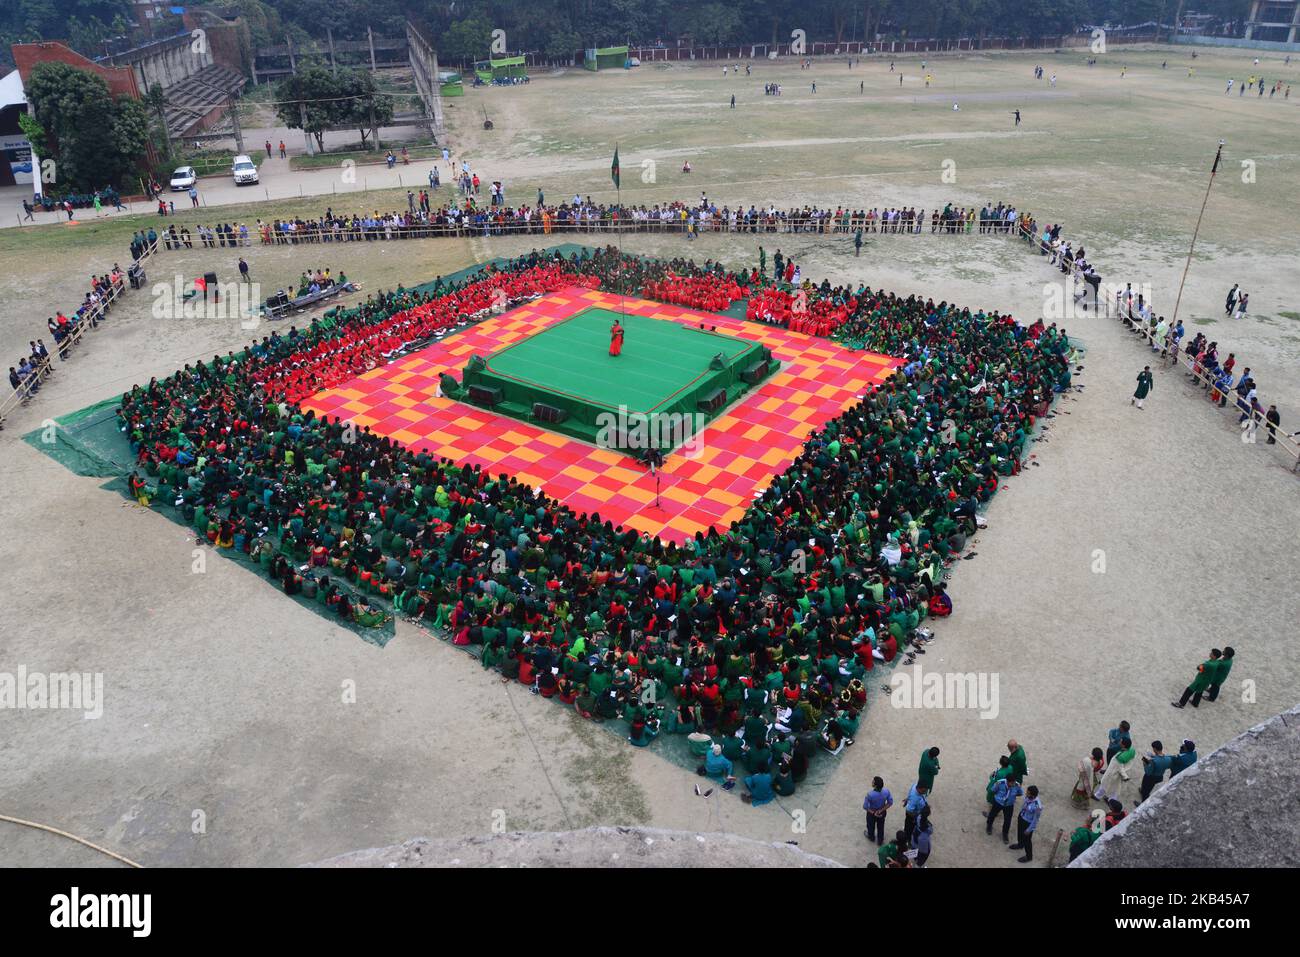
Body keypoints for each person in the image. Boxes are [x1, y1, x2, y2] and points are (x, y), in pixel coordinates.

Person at [1096, 737, 1135, 804]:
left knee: (1105, 784)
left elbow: (1120, 768)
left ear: (1123, 745)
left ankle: (1097, 796)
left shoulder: (1120, 758)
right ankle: (1112, 800)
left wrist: (1125, 776)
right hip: (1121, 772)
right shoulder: (1132, 750)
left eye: (1121, 741)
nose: (1119, 741)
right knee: (1116, 788)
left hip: (1113, 772)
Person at [1009, 785, 1041, 862]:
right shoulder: (1028, 798)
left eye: (1028, 793)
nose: (1026, 793)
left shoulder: (1037, 806)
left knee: (1027, 840)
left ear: (1032, 795)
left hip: (1028, 823)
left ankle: (1029, 856)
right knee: (1020, 833)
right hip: (1022, 817)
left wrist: (1029, 829)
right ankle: (1020, 845)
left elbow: (1035, 820)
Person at [986, 774, 1022, 843]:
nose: (1013, 784)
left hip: (1009, 805)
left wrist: (1011, 797)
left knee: (1007, 820)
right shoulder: (1000, 783)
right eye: (1011, 783)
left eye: (1014, 782)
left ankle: (1005, 833)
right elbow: (993, 790)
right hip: (998, 802)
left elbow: (1020, 793)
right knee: (992, 815)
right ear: (1007, 781)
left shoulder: (1017, 785)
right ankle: (989, 826)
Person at [863, 776, 893, 844]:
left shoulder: (870, 794)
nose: (872, 782)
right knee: (881, 826)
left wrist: (873, 813)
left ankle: (871, 837)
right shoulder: (886, 791)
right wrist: (881, 810)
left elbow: (865, 806)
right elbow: (890, 803)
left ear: (875, 785)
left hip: (872, 813)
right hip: (882, 812)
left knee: (870, 826)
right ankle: (880, 840)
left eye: (873, 781)